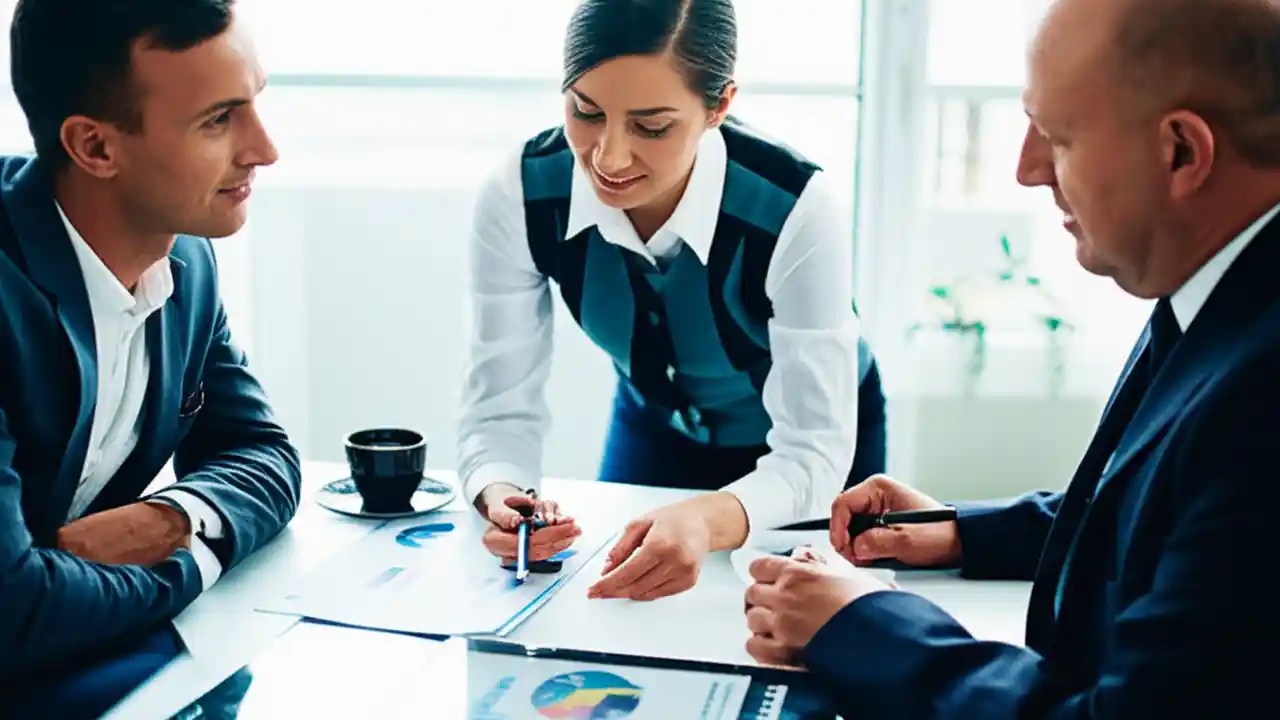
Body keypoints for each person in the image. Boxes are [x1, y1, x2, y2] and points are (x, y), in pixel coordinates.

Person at [742, 0, 1280, 716]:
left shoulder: (1266, 395)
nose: (1027, 170)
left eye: (1056, 137)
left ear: (1182, 151)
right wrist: (963, 532)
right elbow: (1177, 521)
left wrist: (860, 624)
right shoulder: (1229, 287)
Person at [457, 0, 887, 601]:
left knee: (798, 634)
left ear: (719, 106)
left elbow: (813, 450)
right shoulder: (520, 195)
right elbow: (499, 406)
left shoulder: (795, 207)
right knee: (621, 614)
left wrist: (707, 519)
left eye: (651, 126)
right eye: (585, 111)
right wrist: (500, 494)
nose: (608, 157)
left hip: (815, 445)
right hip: (656, 423)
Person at [0, 0, 298, 714]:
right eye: (218, 120)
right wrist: (196, 559)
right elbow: (15, 611)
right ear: (95, 148)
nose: (264, 148)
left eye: (255, 102)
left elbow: (263, 453)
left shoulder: (183, 256)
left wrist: (175, 517)